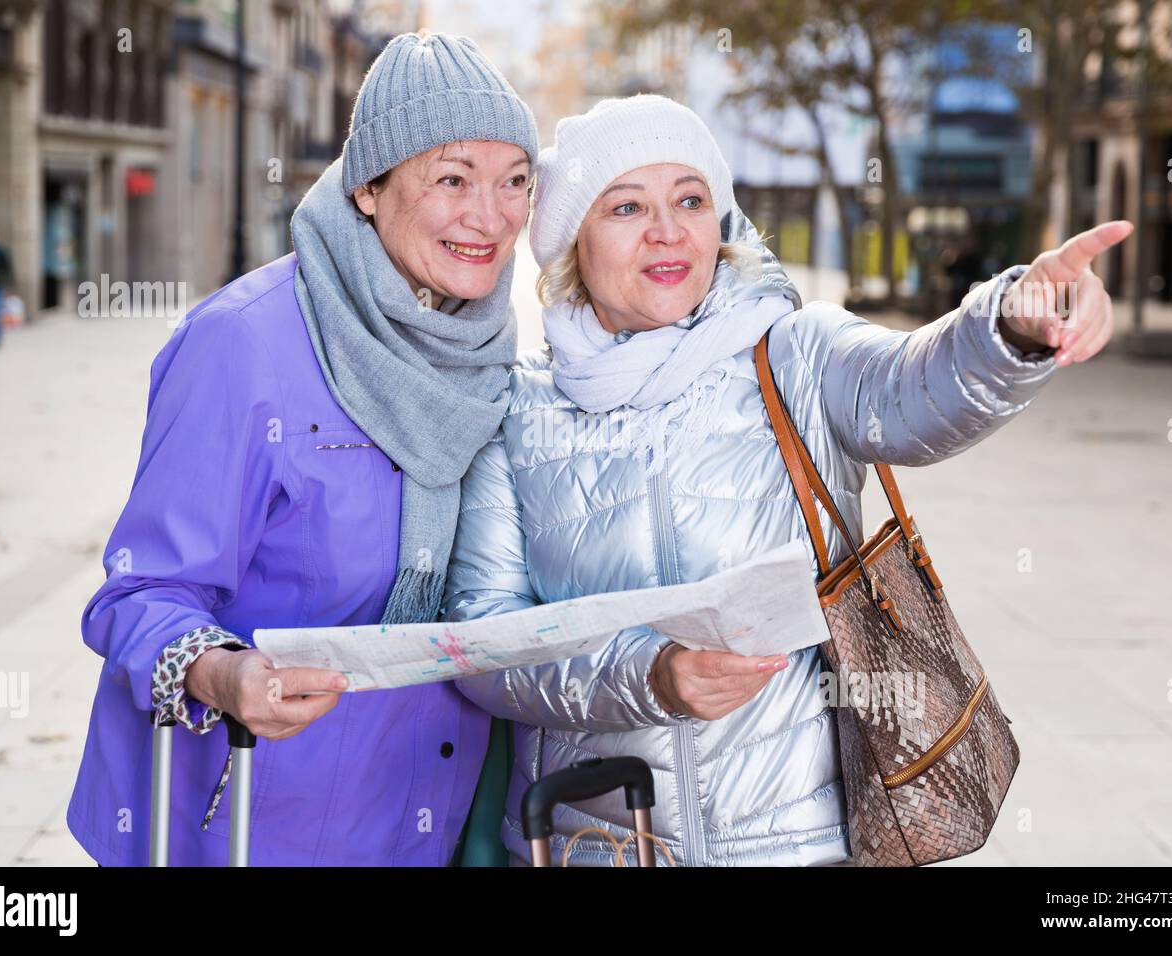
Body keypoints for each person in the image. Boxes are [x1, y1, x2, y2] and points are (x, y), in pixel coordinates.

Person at [442, 94, 1129, 866]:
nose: (668, 230)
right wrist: (651, 677)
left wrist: (1010, 323)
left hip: (799, 845)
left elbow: (916, 383)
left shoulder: (797, 353)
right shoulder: (520, 411)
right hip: (592, 844)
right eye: (627, 205)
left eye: (691, 200)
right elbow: (486, 643)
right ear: (571, 241)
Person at [67, 31, 538, 866]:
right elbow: (135, 595)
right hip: (247, 820)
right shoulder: (242, 345)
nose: (489, 217)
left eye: (514, 183)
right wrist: (221, 673)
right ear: (367, 187)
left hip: (417, 815)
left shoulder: (496, 356)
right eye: (453, 179)